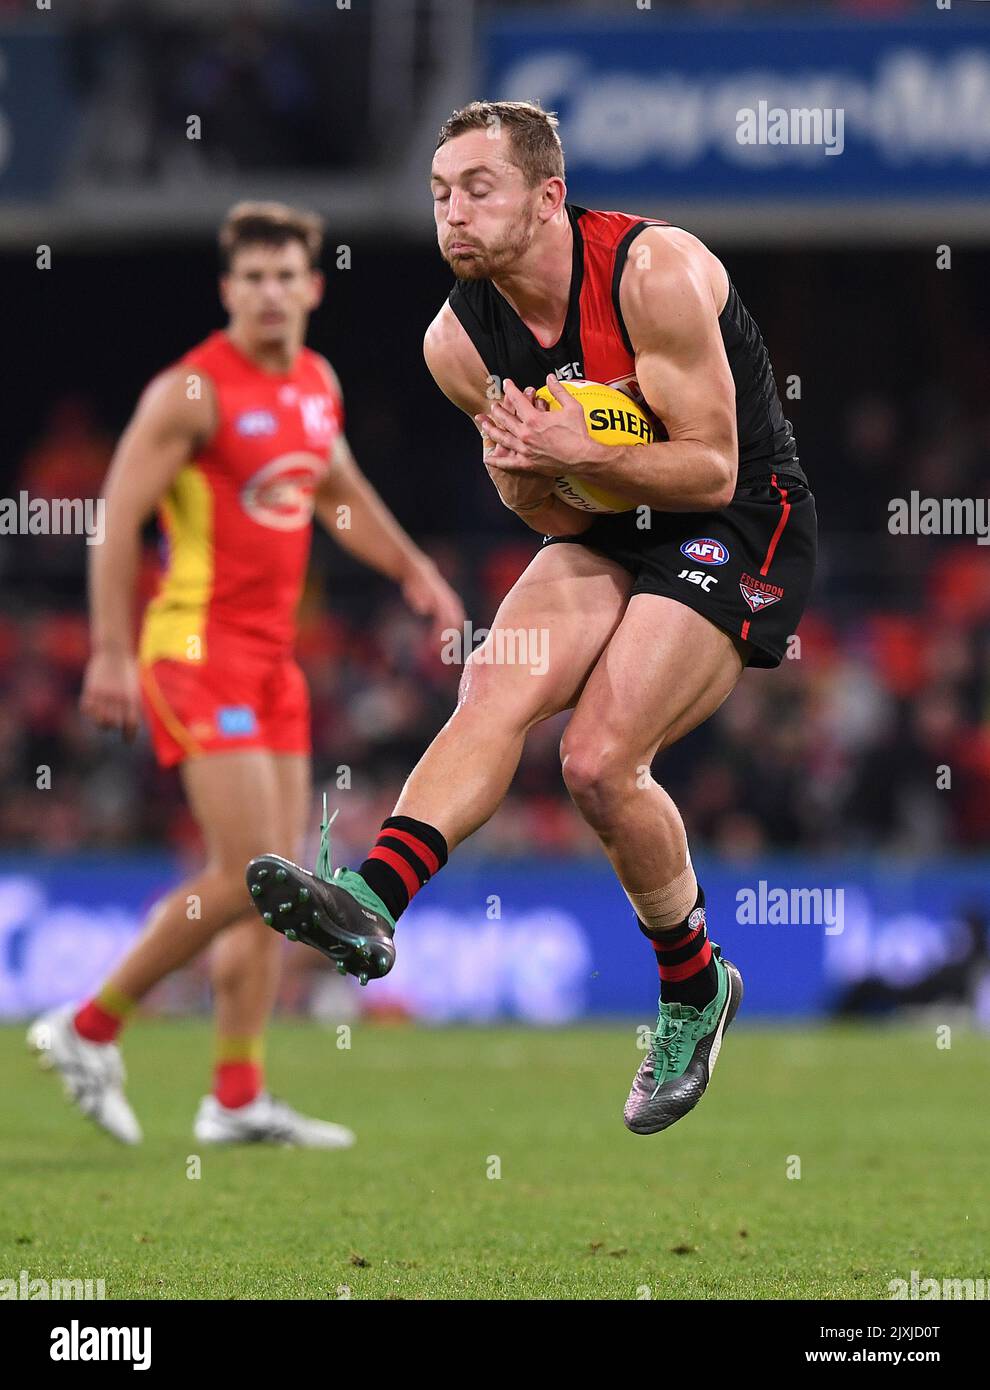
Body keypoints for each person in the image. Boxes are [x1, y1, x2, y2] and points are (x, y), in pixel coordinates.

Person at [245, 102, 817, 1135]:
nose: (451, 214)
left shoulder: (655, 272)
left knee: (598, 760)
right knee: (494, 683)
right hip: (604, 517)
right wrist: (524, 489)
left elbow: (712, 464)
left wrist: (578, 455)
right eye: (438, 193)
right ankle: (372, 902)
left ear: (548, 198)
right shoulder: (456, 343)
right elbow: (552, 508)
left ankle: (696, 989)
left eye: (477, 189)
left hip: (736, 521)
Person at [28, 201, 464, 1146]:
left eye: (285, 276)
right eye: (252, 277)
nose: (270, 292)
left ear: (312, 286)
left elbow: (338, 495)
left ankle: (233, 1097)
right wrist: (107, 650)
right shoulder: (192, 393)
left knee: (284, 884)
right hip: (194, 648)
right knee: (241, 872)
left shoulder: (316, 383)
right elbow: (115, 521)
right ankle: (88, 1025)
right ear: (229, 290)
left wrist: (413, 569)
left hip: (273, 664)